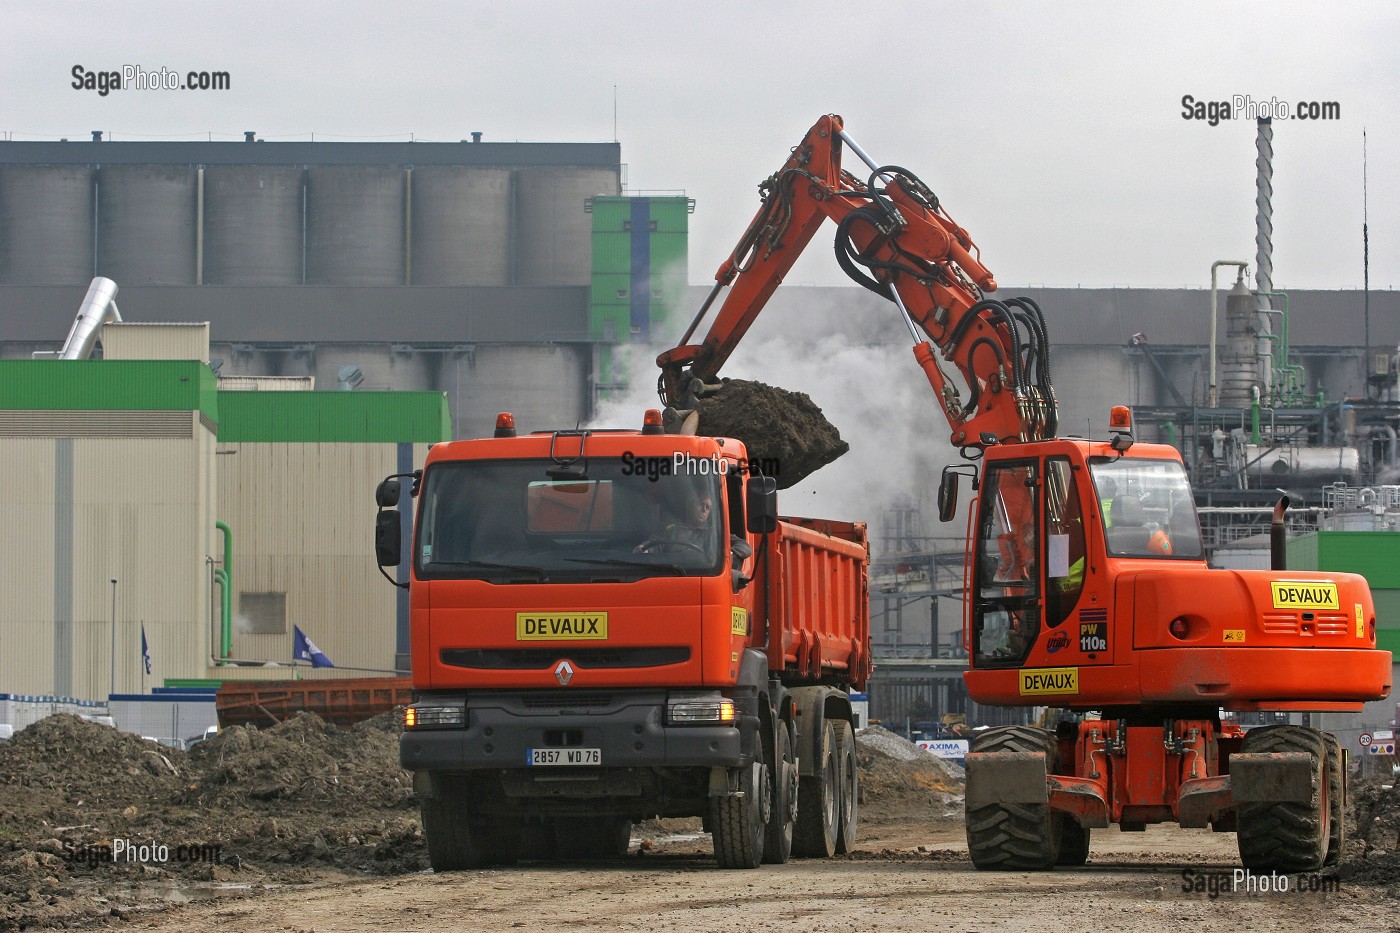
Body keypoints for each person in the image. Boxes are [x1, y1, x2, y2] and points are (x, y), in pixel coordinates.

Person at [637, 495, 713, 552]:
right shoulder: (670, 527)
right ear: (689, 505)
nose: (704, 509)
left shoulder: (711, 534)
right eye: (700, 504)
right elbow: (655, 543)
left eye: (708, 507)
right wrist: (645, 548)